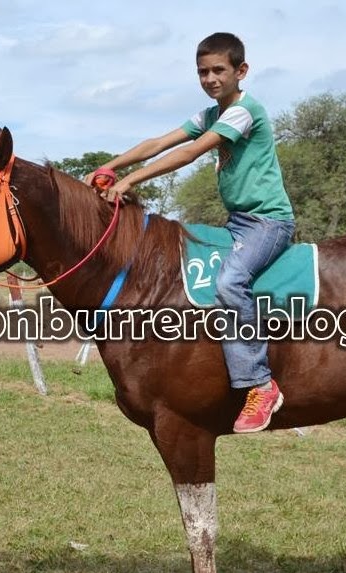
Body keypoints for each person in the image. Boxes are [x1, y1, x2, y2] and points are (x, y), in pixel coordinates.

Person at [86, 32, 295, 433]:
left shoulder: (244, 112)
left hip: (269, 222)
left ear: (241, 71)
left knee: (231, 281)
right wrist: (110, 166)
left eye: (219, 70)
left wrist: (130, 181)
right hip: (238, 223)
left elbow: (189, 152)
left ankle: (260, 383)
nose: (210, 78)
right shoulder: (211, 114)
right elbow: (159, 143)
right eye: (203, 72)